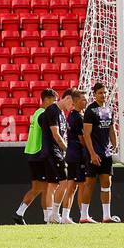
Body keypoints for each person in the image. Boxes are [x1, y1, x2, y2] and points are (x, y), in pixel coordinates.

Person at [14, 88, 58, 224]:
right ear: (47, 100)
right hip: (39, 154)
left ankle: (19, 214)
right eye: (54, 101)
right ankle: (47, 218)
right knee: (47, 187)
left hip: (32, 153)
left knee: (38, 188)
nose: (55, 104)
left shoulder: (37, 113)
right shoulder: (44, 115)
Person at [82, 82, 121, 223]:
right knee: (90, 183)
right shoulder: (90, 111)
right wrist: (92, 153)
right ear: (94, 94)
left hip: (106, 153)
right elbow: (87, 134)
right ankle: (83, 216)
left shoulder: (109, 110)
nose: (103, 95)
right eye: (100, 93)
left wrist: (115, 145)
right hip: (94, 153)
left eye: (105, 92)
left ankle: (106, 216)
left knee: (107, 183)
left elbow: (111, 130)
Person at [40, 89, 74, 223]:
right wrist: (67, 149)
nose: (72, 107)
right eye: (72, 103)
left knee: (53, 184)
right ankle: (54, 214)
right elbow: (56, 134)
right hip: (53, 151)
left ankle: (50, 217)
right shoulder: (52, 110)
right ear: (67, 99)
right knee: (64, 182)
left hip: (55, 151)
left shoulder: (60, 113)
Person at [61, 89, 88, 223]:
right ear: (76, 101)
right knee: (80, 184)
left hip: (72, 154)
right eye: (83, 99)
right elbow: (82, 139)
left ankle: (66, 215)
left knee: (72, 185)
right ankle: (83, 215)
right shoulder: (77, 117)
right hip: (77, 155)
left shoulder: (73, 115)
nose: (86, 101)